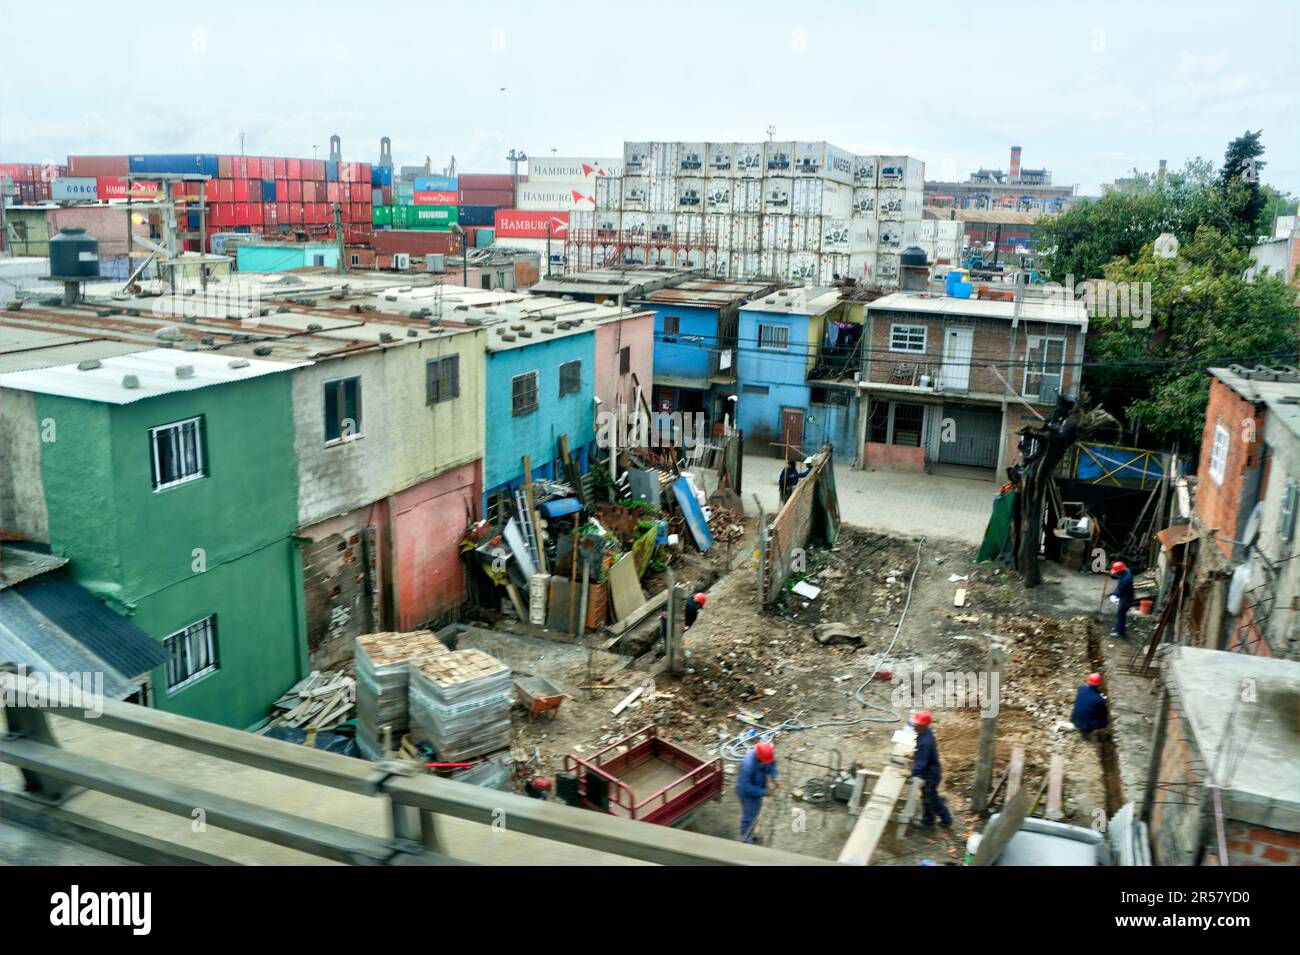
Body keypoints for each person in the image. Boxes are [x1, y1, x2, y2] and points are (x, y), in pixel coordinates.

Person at [909, 711, 952, 829]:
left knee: (928, 799)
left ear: (923, 725)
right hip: (933, 772)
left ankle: (928, 822)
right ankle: (945, 820)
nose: (914, 726)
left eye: (917, 725)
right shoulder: (925, 734)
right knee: (932, 797)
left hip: (929, 775)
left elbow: (921, 762)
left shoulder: (924, 742)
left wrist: (914, 774)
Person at [735, 740, 779, 843]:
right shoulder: (748, 765)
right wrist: (763, 792)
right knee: (749, 817)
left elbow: (771, 764)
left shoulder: (766, 753)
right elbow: (746, 786)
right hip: (747, 795)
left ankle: (750, 834)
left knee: (754, 815)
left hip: (757, 789)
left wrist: (775, 776)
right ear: (759, 757)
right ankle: (746, 839)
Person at [1071, 673, 1109, 741]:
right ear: (1099, 684)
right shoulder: (1098, 699)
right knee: (1104, 721)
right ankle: (1099, 737)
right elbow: (1104, 715)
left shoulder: (1081, 688)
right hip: (1085, 726)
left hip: (1074, 719)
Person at [1109, 560, 1135, 638]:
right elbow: (1119, 576)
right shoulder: (1126, 570)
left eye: (1116, 572)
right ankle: (1118, 628)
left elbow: (1119, 591)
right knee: (1120, 614)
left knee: (1121, 615)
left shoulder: (1126, 580)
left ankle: (1120, 632)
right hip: (1127, 596)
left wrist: (1112, 594)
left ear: (1120, 571)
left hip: (1126, 599)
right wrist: (1112, 575)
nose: (1116, 573)